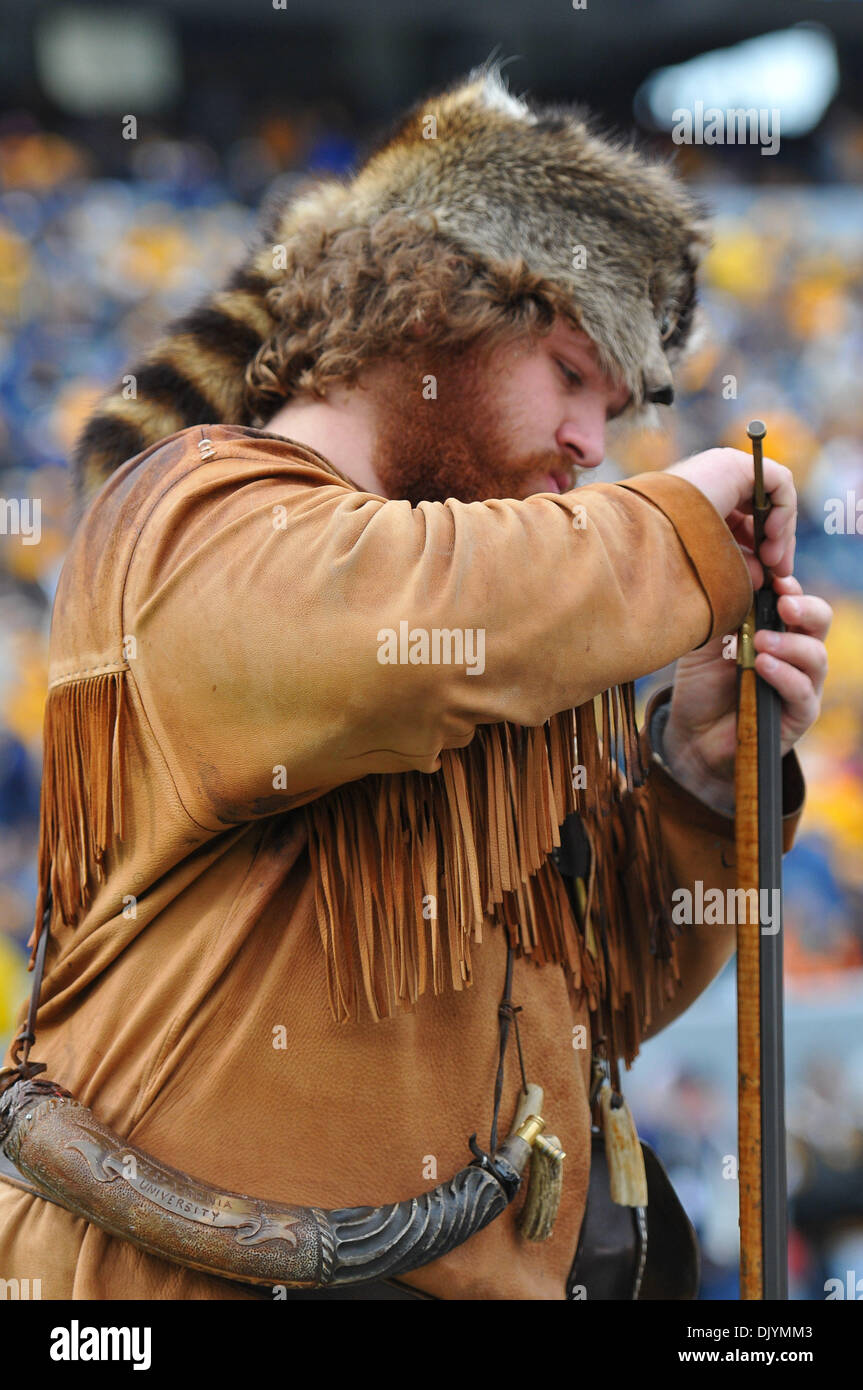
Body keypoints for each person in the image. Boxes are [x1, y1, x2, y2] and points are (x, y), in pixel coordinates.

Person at [0, 62, 829, 1300]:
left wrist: (696, 785)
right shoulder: (191, 515)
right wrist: (674, 531)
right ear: (440, 310)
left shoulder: (488, 630)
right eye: (569, 372)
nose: (594, 445)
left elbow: (600, 1004)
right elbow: (372, 627)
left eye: (613, 405)